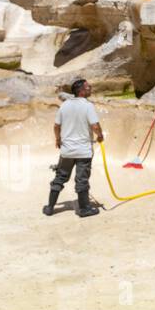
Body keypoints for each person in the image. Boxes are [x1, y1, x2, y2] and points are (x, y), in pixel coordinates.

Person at [44, 79, 104, 218]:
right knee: (82, 179)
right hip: (83, 151)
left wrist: (58, 139)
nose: (91, 88)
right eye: (88, 87)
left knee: (60, 177)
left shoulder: (64, 105)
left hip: (67, 150)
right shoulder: (88, 106)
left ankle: (50, 207)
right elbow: (95, 126)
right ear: (81, 91)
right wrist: (100, 136)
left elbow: (56, 126)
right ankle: (84, 209)